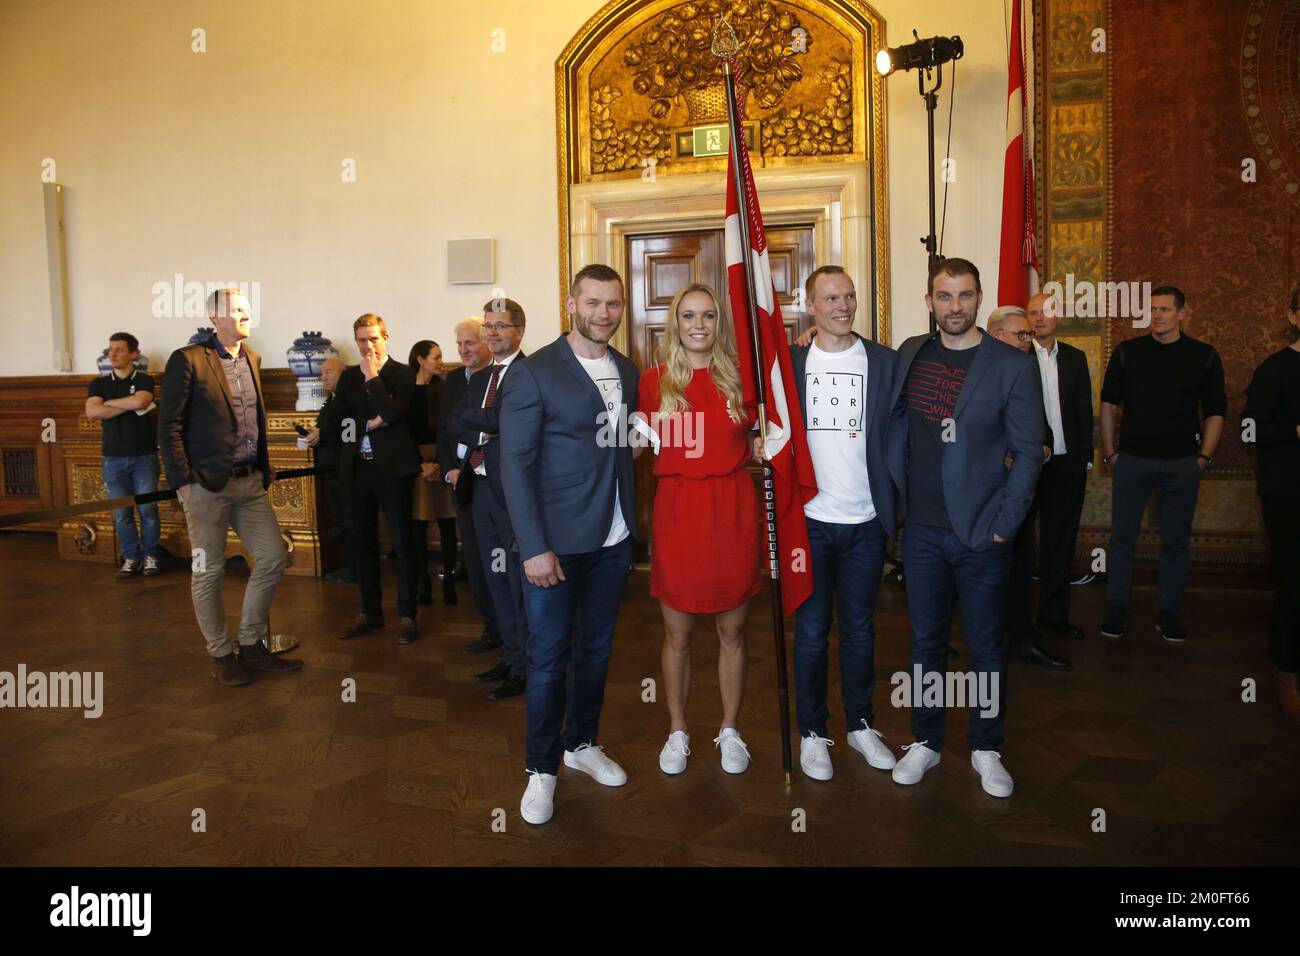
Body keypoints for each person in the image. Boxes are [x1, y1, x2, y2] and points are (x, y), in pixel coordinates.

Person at [884, 258, 1044, 798]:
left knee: (985, 647)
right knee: (926, 643)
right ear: (929, 302)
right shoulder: (910, 353)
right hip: (922, 531)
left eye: (965, 296)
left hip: (983, 533)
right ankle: (925, 741)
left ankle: (986, 746)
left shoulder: (1012, 365)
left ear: (980, 299)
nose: (955, 306)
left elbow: (1028, 453)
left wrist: (1005, 526)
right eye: (944, 296)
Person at [499, 264, 639, 826]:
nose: (603, 313)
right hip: (553, 546)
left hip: (614, 538)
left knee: (597, 651)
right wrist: (533, 547)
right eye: (593, 302)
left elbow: (619, 444)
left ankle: (581, 744)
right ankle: (541, 767)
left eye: (612, 304)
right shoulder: (534, 374)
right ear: (571, 303)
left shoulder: (627, 368)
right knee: (548, 659)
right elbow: (514, 464)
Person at [780, 266, 901, 782]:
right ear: (811, 306)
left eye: (849, 296)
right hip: (808, 521)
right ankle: (812, 733)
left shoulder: (886, 362)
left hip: (866, 521)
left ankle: (861, 724)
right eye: (830, 298)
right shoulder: (791, 363)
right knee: (810, 634)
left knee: (858, 631)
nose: (842, 306)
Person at [637, 283, 760, 776]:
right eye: (688, 316)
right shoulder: (654, 382)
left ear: (719, 323)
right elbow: (631, 446)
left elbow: (764, 436)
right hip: (679, 511)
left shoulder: (742, 379)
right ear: (676, 324)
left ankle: (730, 729)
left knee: (733, 631)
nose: (698, 325)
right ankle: (678, 729)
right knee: (678, 633)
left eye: (708, 316)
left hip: (731, 509)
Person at [158, 288, 299, 686]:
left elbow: (255, 419)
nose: (245, 314)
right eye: (237, 310)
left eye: (248, 308)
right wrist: (182, 481)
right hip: (205, 487)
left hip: (250, 482)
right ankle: (220, 654)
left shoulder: (252, 359)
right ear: (216, 318)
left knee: (272, 557)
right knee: (208, 572)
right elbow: (168, 425)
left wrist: (266, 467)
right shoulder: (187, 360)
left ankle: (252, 643)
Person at [1099, 286, 1226, 642]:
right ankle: (1117, 609)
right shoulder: (1127, 353)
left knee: (1176, 542)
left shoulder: (1204, 356)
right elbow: (1108, 404)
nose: (1157, 315)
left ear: (1183, 313)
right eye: (1153, 309)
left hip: (1182, 464)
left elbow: (1216, 411)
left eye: (1165, 309)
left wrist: (1204, 458)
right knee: (1122, 539)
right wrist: (1110, 452)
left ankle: (1168, 613)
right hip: (1133, 461)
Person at [446, 299, 529, 700]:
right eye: (489, 326)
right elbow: (453, 422)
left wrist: (486, 425)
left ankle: (527, 665)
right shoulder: (480, 378)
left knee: (517, 581)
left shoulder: (530, 374)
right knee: (495, 579)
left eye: (501, 326)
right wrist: (487, 430)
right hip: (478, 491)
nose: (493, 333)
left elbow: (508, 424)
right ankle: (510, 655)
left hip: (512, 496)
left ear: (520, 331)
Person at [322, 314, 423, 644]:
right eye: (362, 340)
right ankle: (370, 612)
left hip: (393, 470)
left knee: (403, 542)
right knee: (362, 542)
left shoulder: (403, 374)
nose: (368, 345)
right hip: (358, 469)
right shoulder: (348, 377)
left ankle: (407, 615)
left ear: (386, 338)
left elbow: (394, 414)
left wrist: (373, 379)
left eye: (373, 339)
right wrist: (372, 422)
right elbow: (335, 422)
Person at [988, 306, 1069, 670]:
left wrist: (1044, 444)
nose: (1027, 341)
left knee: (1022, 565)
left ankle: (1022, 639)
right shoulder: (976, 369)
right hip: (988, 492)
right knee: (990, 571)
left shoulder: (1027, 369)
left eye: (1028, 335)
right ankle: (992, 644)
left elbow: (1041, 420)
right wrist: (1003, 454)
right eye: (1019, 334)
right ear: (996, 335)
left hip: (1023, 484)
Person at [1242, 292, 1300, 720]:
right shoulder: (1275, 369)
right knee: (1295, 583)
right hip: (1289, 493)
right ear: (1293, 315)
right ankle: (1286, 672)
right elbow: (1249, 430)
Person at [1028, 291, 1094, 639]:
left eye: (1046, 312)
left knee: (1059, 543)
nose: (1039, 319)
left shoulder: (1075, 358)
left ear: (1059, 317)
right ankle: (1019, 622)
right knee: (1022, 546)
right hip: (1028, 465)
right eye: (1033, 313)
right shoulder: (1017, 357)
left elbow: (1084, 409)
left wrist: (1086, 458)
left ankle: (1053, 618)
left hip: (1067, 465)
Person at [439, 318, 502, 656]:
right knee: (475, 561)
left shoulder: (501, 378)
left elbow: (496, 428)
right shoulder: (452, 381)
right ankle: (491, 627)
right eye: (459, 344)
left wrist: (472, 433)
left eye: (470, 343)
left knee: (498, 562)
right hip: (460, 480)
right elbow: (444, 428)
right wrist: (449, 467)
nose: (463, 350)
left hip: (491, 480)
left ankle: (509, 632)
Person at [85, 332, 162, 579]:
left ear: (133, 354)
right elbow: (92, 412)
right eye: (110, 350)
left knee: (147, 510)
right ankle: (131, 557)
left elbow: (141, 402)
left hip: (143, 456)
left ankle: (151, 556)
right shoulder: (98, 384)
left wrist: (109, 404)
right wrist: (124, 403)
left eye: (119, 350)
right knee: (121, 513)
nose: (113, 354)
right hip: (113, 457)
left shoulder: (145, 380)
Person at [407, 340, 458, 607]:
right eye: (435, 357)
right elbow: (401, 433)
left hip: (442, 460)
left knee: (448, 522)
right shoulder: (405, 390)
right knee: (419, 525)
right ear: (420, 359)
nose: (440, 361)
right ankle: (423, 583)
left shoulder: (446, 388)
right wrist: (420, 464)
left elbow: (450, 427)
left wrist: (440, 462)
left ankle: (448, 580)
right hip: (416, 463)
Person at [308, 355, 356, 584]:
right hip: (328, 469)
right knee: (338, 519)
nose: (323, 377)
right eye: (322, 373)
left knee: (349, 520)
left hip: (344, 470)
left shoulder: (349, 403)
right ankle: (345, 563)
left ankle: (353, 567)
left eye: (329, 372)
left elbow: (348, 435)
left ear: (343, 374)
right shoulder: (330, 401)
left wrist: (322, 433)